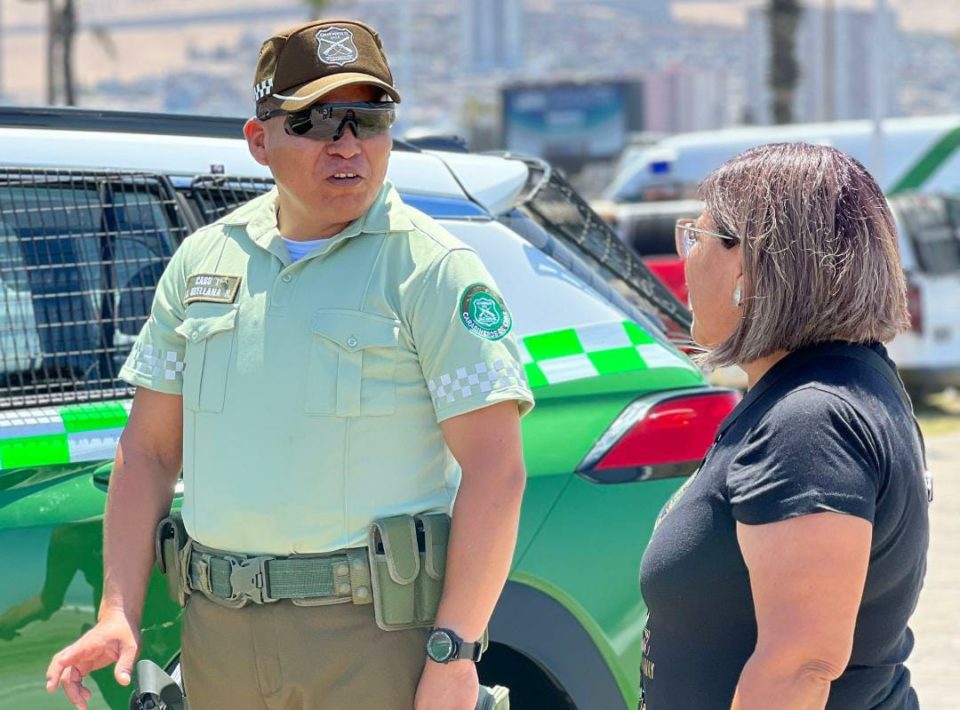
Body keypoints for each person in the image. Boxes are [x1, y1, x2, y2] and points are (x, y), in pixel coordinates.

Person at [46, 18, 534, 710]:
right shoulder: (204, 261)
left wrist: (454, 653)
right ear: (259, 141)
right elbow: (149, 452)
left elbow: (496, 470)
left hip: (373, 640)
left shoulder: (431, 269)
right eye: (317, 120)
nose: (348, 145)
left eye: (369, 118)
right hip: (219, 637)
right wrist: (117, 610)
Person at [639, 143, 930, 709]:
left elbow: (800, 666)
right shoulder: (833, 387)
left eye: (696, 237)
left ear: (749, 265)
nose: (687, 258)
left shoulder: (810, 420)